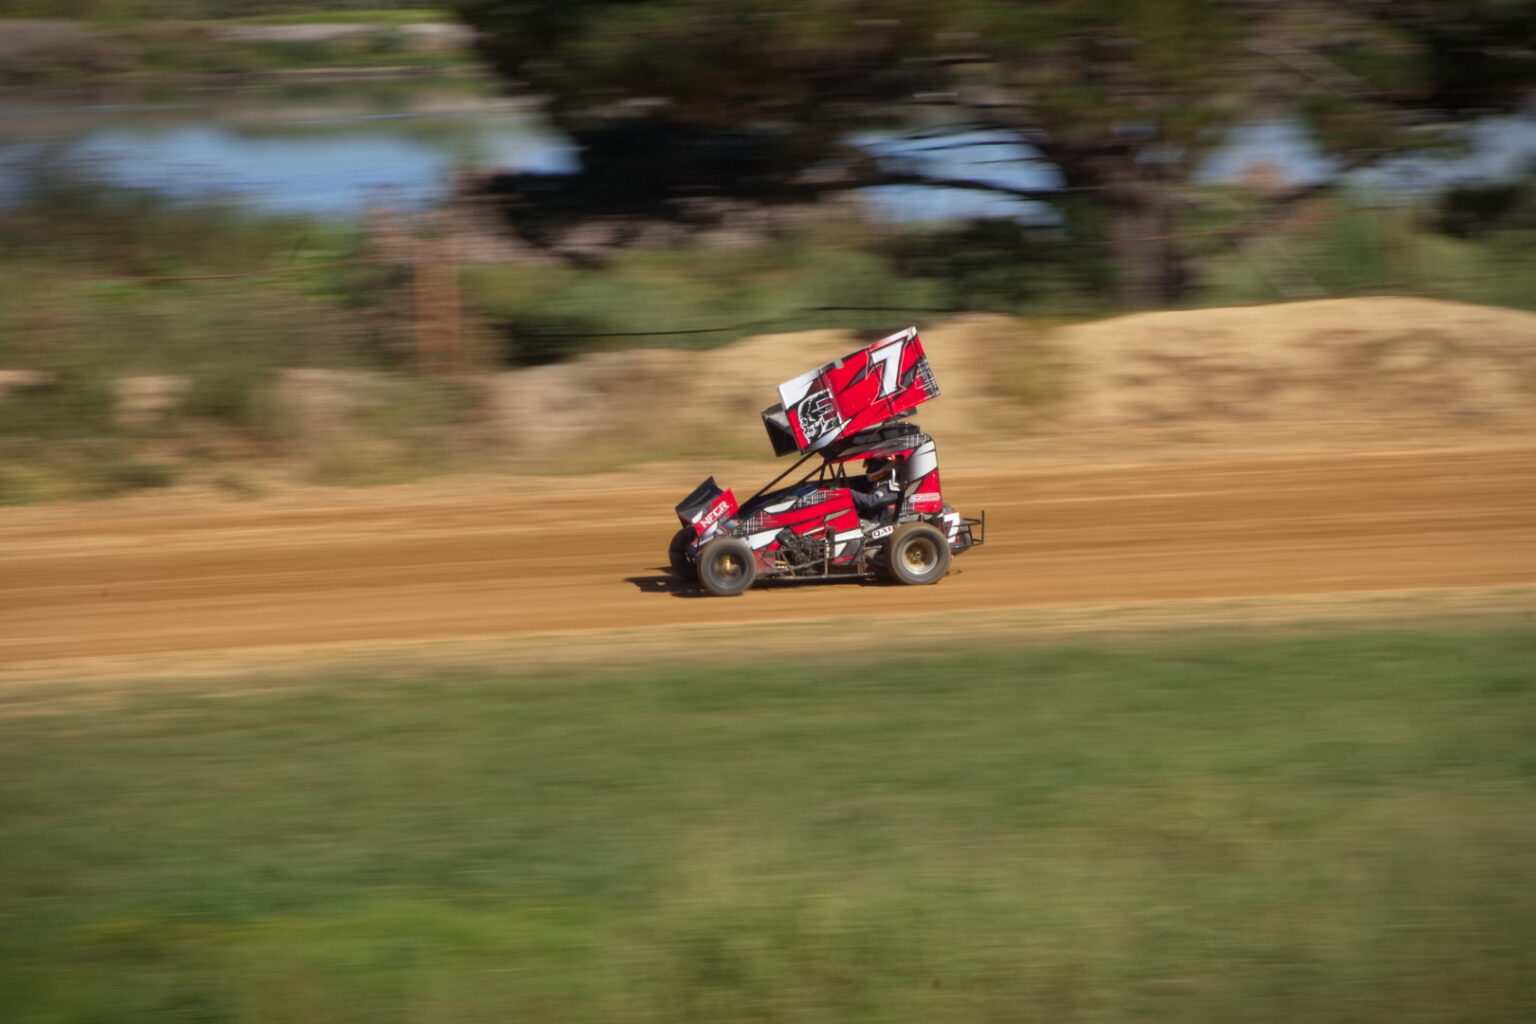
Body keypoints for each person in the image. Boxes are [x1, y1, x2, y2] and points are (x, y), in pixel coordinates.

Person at [849, 455, 903, 523]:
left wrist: (849, 492)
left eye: (873, 465)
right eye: (870, 465)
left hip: (881, 524)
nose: (870, 468)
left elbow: (872, 501)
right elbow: (856, 482)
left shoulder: (893, 484)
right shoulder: (878, 480)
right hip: (868, 519)